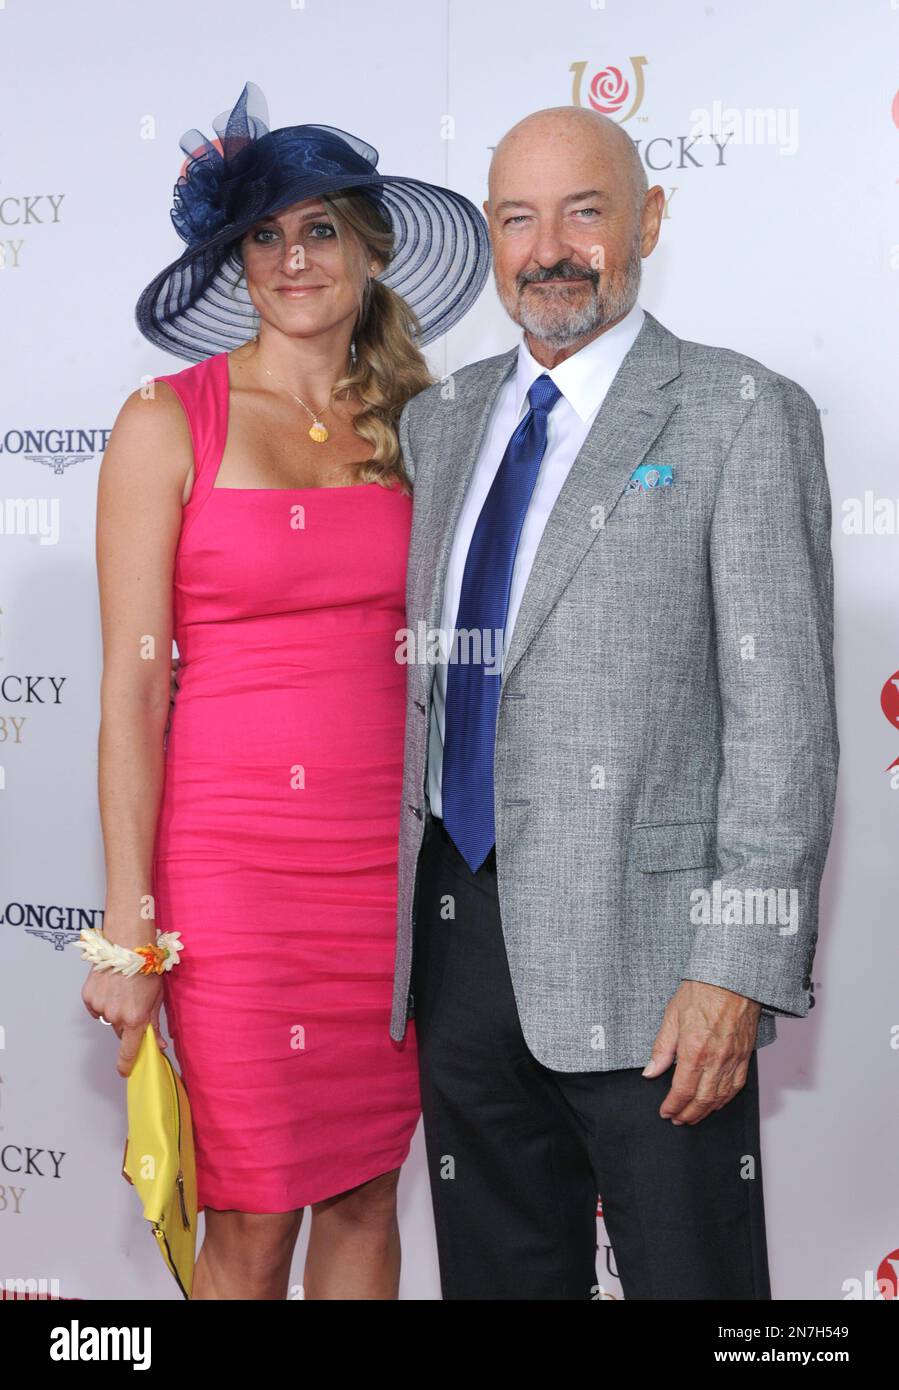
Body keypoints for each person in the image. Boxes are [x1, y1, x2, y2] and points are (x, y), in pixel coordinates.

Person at [389, 104, 839, 1299]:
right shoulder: (439, 423)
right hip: (459, 947)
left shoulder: (739, 413)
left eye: (583, 211)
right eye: (517, 218)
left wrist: (734, 967)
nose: (548, 249)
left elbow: (783, 726)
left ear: (647, 217)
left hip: (657, 976)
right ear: (487, 239)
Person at [82, 80, 489, 1301]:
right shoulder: (166, 422)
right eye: (263, 235)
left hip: (388, 872)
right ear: (232, 260)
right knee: (253, 1212)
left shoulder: (422, 425)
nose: (292, 259)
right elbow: (131, 693)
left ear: (369, 249)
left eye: (318, 230)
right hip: (235, 882)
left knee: (366, 1190)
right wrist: (129, 927)